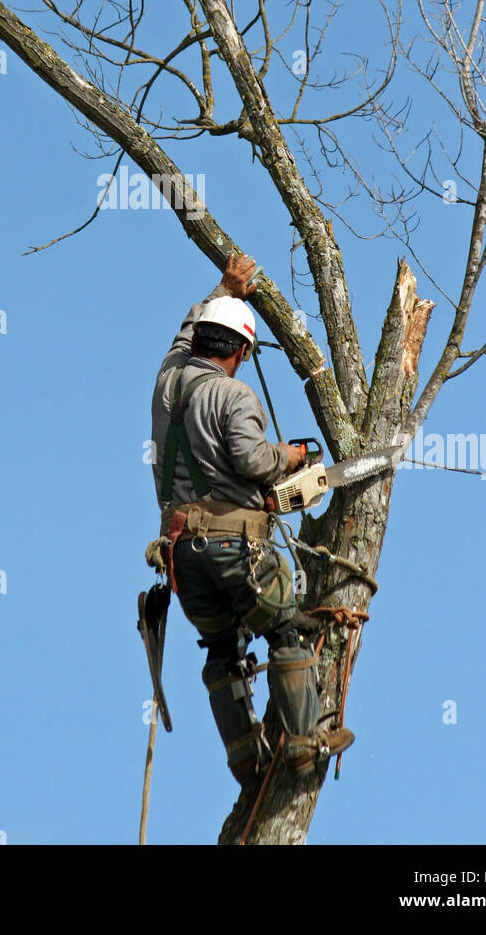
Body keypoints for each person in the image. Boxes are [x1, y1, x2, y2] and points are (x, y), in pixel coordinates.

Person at [148, 252, 353, 790]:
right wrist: (288, 457)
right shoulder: (233, 393)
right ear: (241, 351)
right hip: (234, 548)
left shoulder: (167, 381)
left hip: (182, 561)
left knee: (222, 650)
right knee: (285, 627)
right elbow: (253, 461)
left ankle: (245, 761)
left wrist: (224, 290)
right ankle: (305, 748)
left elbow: (181, 336)